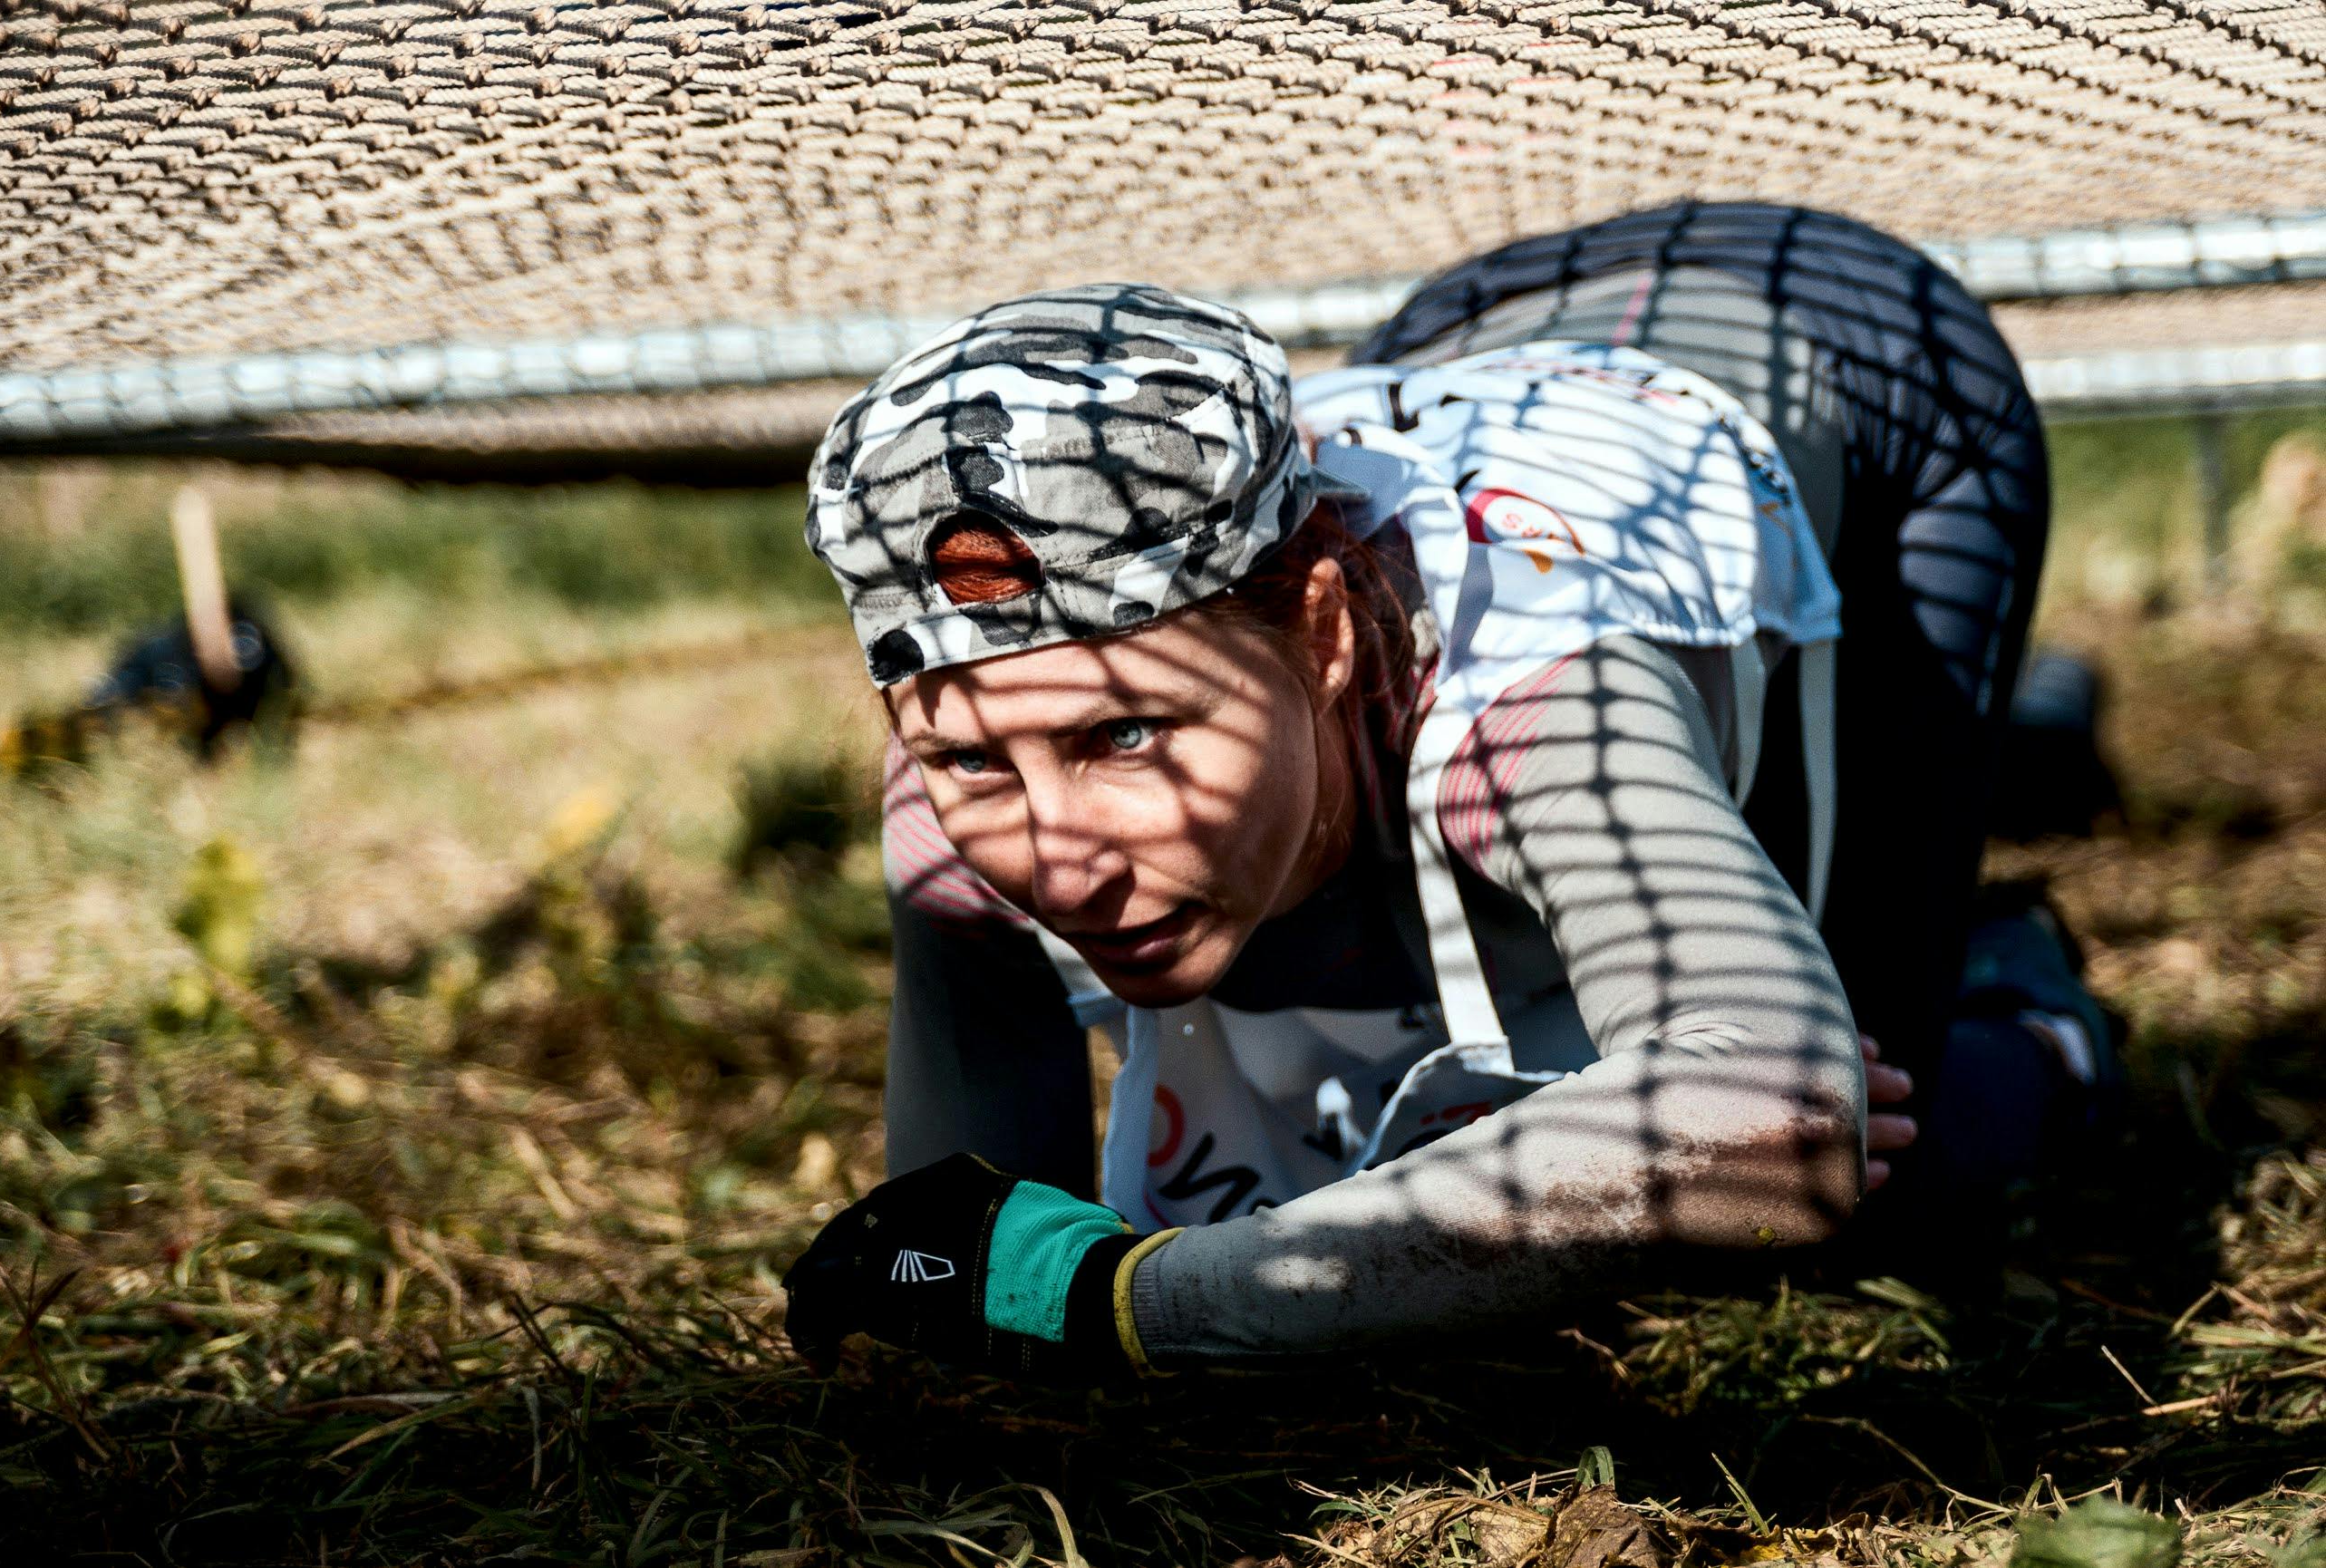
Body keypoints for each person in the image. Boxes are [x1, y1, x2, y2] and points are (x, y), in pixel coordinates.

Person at [782, 202, 2112, 1385]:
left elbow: (1781, 1126)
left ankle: (2036, 1004)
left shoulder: (1542, 699)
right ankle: (2009, 756)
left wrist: (1134, 1299)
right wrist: (968, 1298)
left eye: (1126, 736)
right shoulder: (975, 682)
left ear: (1325, 630)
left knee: (1857, 1177)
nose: (1059, 870)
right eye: (971, 765)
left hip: (1857, 348)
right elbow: (968, 1259)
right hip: (1472, 325)